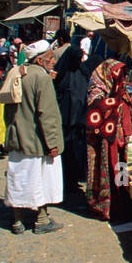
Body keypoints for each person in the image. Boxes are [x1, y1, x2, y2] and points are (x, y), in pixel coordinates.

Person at [3, 39, 65, 234]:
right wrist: (53, 143)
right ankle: (41, 219)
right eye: (49, 58)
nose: (53, 61)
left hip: (17, 138)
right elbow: (47, 114)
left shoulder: (17, 74)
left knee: (19, 179)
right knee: (42, 180)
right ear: (39, 61)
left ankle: (17, 220)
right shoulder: (42, 78)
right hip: (37, 140)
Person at [85, 59, 132, 221]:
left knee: (122, 169)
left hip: (119, 140)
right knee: (109, 170)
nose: (122, 80)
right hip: (104, 141)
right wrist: (116, 104)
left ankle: (124, 202)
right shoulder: (96, 90)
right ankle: (108, 205)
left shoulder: (119, 89)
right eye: (119, 75)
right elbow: (95, 110)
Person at [54, 41, 92, 199]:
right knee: (67, 153)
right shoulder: (62, 74)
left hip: (79, 121)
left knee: (77, 153)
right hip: (65, 121)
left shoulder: (83, 72)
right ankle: (66, 182)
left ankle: (75, 179)